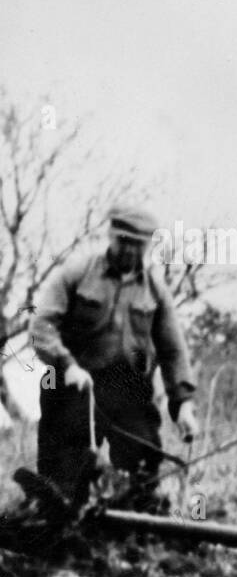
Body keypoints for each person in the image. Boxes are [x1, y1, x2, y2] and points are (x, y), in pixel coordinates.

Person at [30, 205, 199, 510]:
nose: (131, 250)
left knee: (141, 467)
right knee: (64, 469)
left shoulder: (156, 290)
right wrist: (65, 364)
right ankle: (57, 527)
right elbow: (41, 324)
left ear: (147, 245)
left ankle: (133, 535)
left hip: (128, 388)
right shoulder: (77, 272)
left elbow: (173, 349)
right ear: (111, 235)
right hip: (73, 382)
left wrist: (183, 404)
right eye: (125, 241)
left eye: (139, 244)